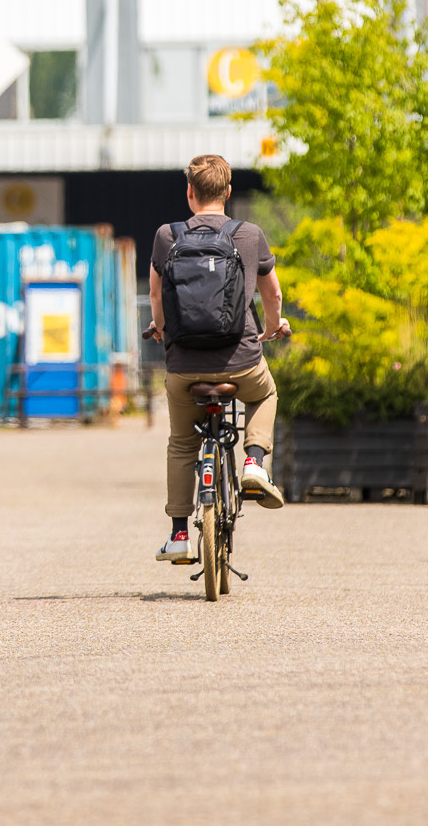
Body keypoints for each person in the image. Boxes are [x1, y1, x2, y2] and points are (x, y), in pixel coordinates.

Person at [145, 153, 290, 563]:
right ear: (227, 192)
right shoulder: (249, 235)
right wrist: (272, 327)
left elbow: (156, 294)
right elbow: (273, 294)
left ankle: (178, 534)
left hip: (184, 368)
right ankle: (254, 462)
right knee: (265, 394)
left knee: (181, 443)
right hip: (240, 360)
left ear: (190, 193)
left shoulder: (167, 235)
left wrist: (161, 329)